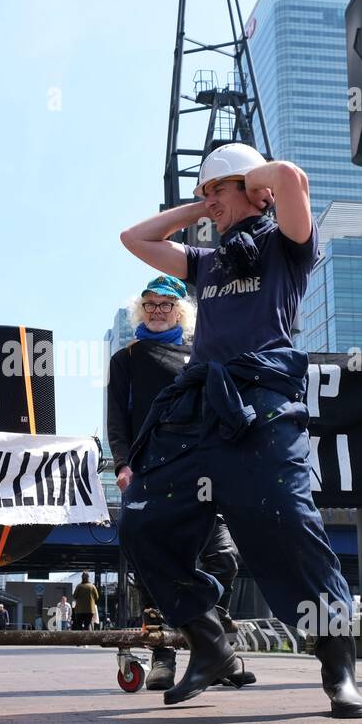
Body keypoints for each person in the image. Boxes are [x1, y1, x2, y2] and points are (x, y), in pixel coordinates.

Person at [118, 142, 362, 716]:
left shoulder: (287, 249)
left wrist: (251, 182)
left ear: (251, 190)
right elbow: (134, 240)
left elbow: (289, 176)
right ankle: (210, 645)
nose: (211, 203)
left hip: (263, 407)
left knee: (290, 521)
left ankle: (338, 668)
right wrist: (201, 206)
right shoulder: (205, 264)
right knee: (142, 523)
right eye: (205, 194)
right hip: (199, 411)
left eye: (218, 191)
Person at [107, 274, 253, 690]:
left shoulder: (200, 356)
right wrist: (122, 465)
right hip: (149, 471)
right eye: (149, 305)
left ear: (179, 311)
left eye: (165, 305)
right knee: (153, 566)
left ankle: (215, 641)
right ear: (141, 310)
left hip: (201, 471)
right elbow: (117, 420)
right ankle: (163, 658)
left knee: (223, 555)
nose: (156, 311)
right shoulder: (127, 359)